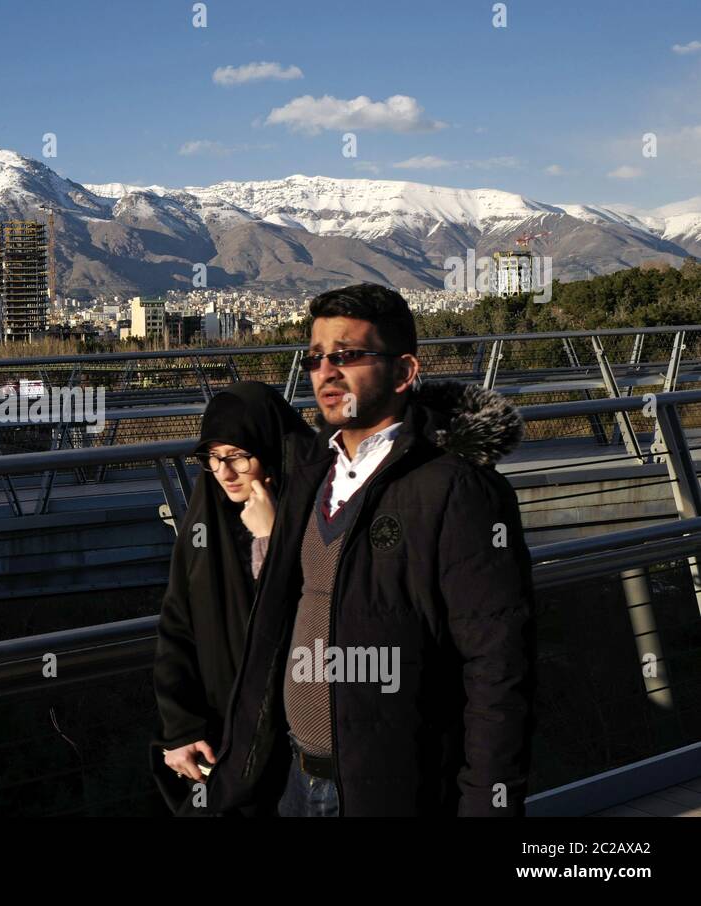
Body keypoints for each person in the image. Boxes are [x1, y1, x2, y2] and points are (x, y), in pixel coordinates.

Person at [195, 283, 536, 817]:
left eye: (348, 355)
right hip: (297, 781)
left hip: (395, 788)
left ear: (404, 372)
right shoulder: (313, 476)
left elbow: (497, 668)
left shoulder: (456, 489)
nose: (326, 372)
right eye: (315, 358)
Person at [151, 381, 314, 813]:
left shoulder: (317, 514)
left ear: (270, 450)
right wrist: (180, 728)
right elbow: (177, 628)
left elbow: (314, 617)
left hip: (301, 745)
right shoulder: (204, 529)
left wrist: (271, 538)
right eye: (213, 458)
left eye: (239, 456)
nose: (224, 473)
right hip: (222, 746)